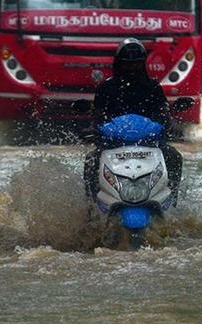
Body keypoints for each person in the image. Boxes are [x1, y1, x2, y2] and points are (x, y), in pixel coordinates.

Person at [83, 37, 183, 202]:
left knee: (174, 157)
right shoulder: (106, 88)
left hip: (150, 142)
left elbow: (164, 111)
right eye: (126, 64)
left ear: (143, 63)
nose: (132, 68)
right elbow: (97, 115)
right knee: (91, 161)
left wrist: (172, 124)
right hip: (113, 143)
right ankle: (91, 208)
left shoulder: (153, 86)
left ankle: (172, 202)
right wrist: (92, 129)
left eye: (136, 63)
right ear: (118, 63)